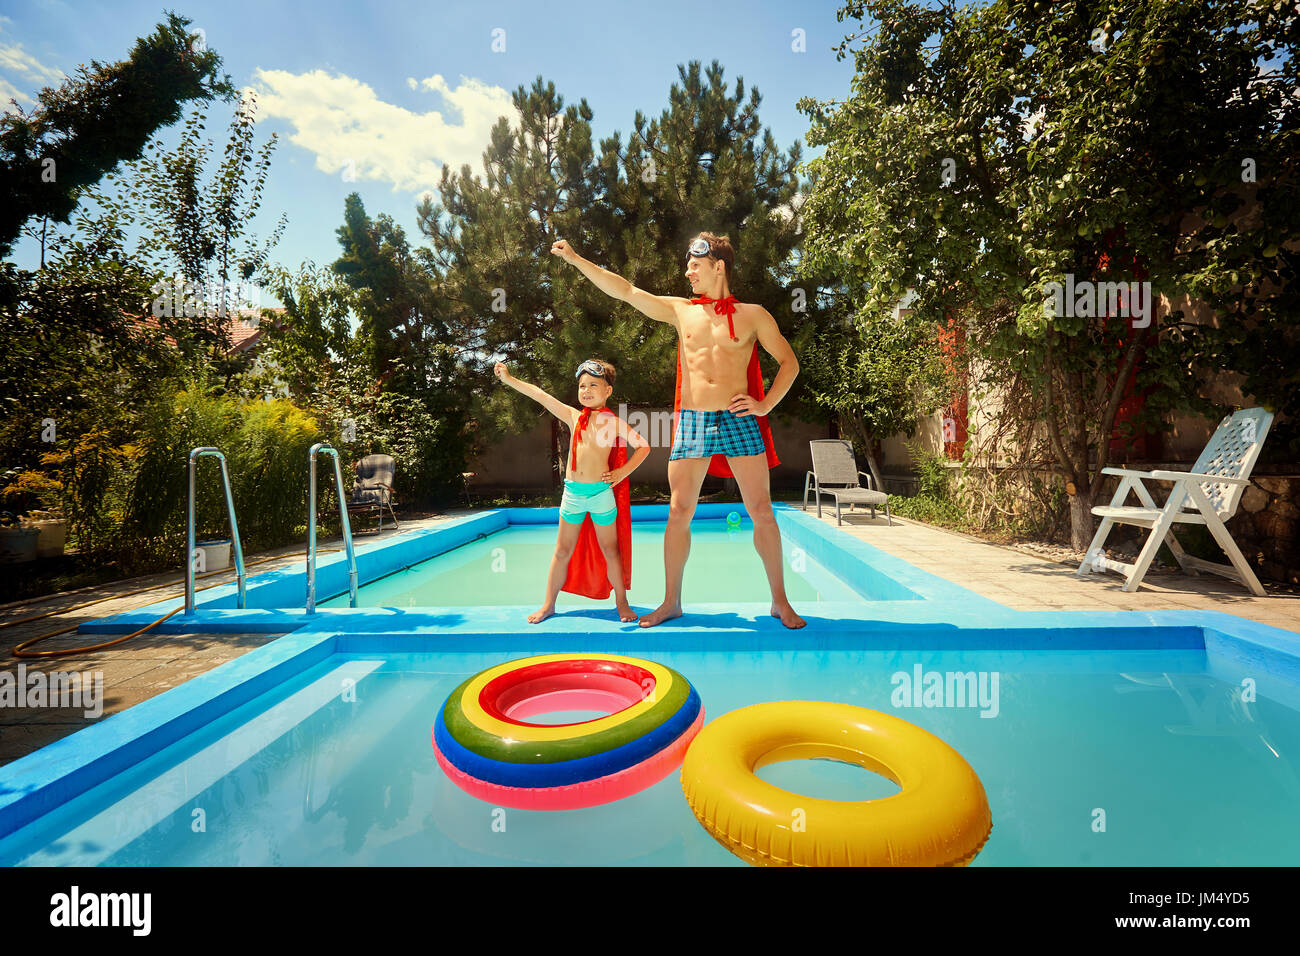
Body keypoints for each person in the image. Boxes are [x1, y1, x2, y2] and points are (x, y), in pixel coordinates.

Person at [549, 233, 805, 629]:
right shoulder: (681, 311)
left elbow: (789, 363)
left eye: (695, 266)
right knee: (679, 511)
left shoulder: (754, 315)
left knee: (761, 511)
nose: (687, 273)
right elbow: (626, 291)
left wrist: (765, 404)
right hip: (694, 420)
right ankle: (671, 602)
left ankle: (780, 601)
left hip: (739, 419)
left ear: (718, 266)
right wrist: (577, 260)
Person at [494, 359, 649, 624]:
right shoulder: (573, 416)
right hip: (573, 495)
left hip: (601, 495)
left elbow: (643, 447)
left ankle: (622, 604)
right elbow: (540, 395)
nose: (586, 390)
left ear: (608, 391)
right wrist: (509, 380)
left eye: (593, 385)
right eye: (582, 386)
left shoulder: (612, 422)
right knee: (561, 551)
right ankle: (548, 605)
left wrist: (623, 472)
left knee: (611, 551)